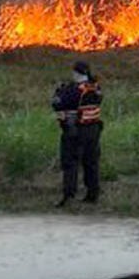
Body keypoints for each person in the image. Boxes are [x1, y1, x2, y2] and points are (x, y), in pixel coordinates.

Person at [52, 61, 103, 207]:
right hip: (93, 130)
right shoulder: (96, 88)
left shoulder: (72, 90)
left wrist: (58, 91)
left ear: (75, 73)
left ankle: (69, 196)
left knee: (70, 163)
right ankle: (92, 194)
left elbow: (57, 103)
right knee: (91, 162)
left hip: (74, 130)